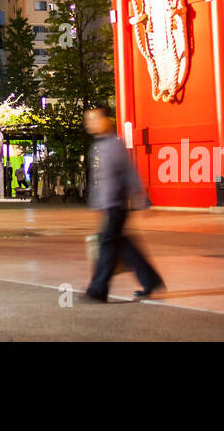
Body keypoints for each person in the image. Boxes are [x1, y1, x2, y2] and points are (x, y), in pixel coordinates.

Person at [82, 106, 163, 302]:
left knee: (108, 247)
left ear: (105, 121)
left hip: (117, 205)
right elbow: (97, 180)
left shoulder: (114, 144)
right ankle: (150, 279)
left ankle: (98, 290)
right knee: (121, 245)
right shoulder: (97, 146)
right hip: (108, 205)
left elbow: (128, 173)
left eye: (94, 119)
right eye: (88, 120)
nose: (90, 123)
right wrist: (96, 203)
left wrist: (141, 199)